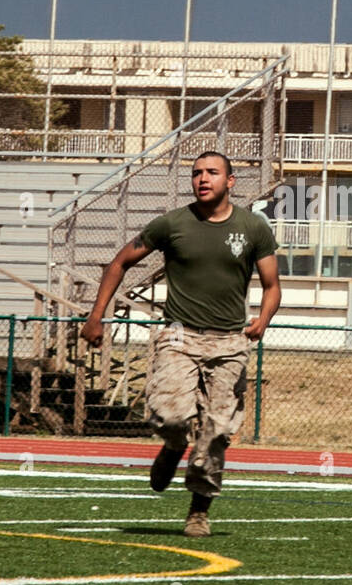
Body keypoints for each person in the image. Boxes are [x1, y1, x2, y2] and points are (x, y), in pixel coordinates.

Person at [80, 152, 280, 537]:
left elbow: (272, 286)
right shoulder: (172, 223)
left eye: (212, 172)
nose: (203, 179)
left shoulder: (253, 227)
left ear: (231, 181)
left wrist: (263, 319)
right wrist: (96, 316)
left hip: (230, 342)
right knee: (171, 416)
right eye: (196, 173)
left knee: (217, 432)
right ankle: (173, 447)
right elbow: (118, 263)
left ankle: (198, 512)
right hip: (179, 335)